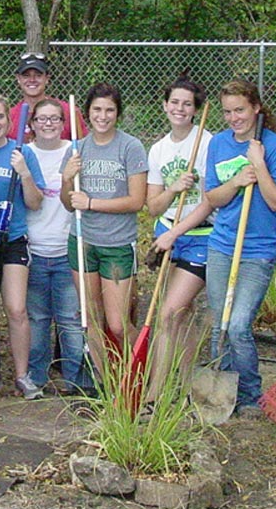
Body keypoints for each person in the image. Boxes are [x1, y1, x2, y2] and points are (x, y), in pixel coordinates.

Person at [204, 79, 276, 418]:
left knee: (239, 324)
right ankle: (222, 391)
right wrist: (237, 181)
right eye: (227, 112)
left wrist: (259, 164)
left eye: (239, 110)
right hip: (223, 244)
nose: (233, 118)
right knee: (220, 322)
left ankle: (251, 395)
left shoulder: (275, 147)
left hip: (258, 249)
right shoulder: (219, 144)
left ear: (255, 107)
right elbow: (212, 198)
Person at [60, 83, 148, 376]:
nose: (103, 115)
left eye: (109, 110)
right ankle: (107, 384)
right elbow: (69, 204)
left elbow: (137, 200)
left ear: (118, 113)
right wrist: (66, 179)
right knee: (91, 320)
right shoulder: (77, 148)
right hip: (83, 243)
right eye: (97, 109)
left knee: (118, 324)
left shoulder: (130, 147)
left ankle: (144, 373)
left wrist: (92, 202)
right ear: (87, 113)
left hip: (117, 246)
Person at [144, 74, 214, 403]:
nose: (180, 109)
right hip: (167, 235)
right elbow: (152, 206)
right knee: (180, 315)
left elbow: (212, 200)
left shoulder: (209, 143)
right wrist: (174, 187)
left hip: (201, 236)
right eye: (174, 102)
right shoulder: (158, 150)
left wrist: (177, 230)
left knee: (169, 313)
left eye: (187, 104)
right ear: (164, 105)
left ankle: (154, 395)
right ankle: (184, 387)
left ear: (196, 109)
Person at [0, 92, 45, 399]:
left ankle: (22, 375)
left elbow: (35, 202)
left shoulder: (22, 152)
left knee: (16, 309)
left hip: (12, 238)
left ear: (9, 120)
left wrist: (25, 174)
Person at [26, 99, 93, 394]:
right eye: (42, 119)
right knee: (38, 318)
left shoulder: (74, 151)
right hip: (34, 248)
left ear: (64, 122)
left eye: (55, 118)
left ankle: (72, 377)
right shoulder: (25, 153)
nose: (49, 124)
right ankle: (37, 376)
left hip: (67, 248)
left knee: (69, 318)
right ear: (32, 124)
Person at [8, 52, 86, 142]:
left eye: (38, 75)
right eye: (26, 75)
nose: (32, 80)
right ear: (18, 79)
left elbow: (83, 147)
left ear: (47, 78)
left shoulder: (68, 111)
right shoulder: (10, 117)